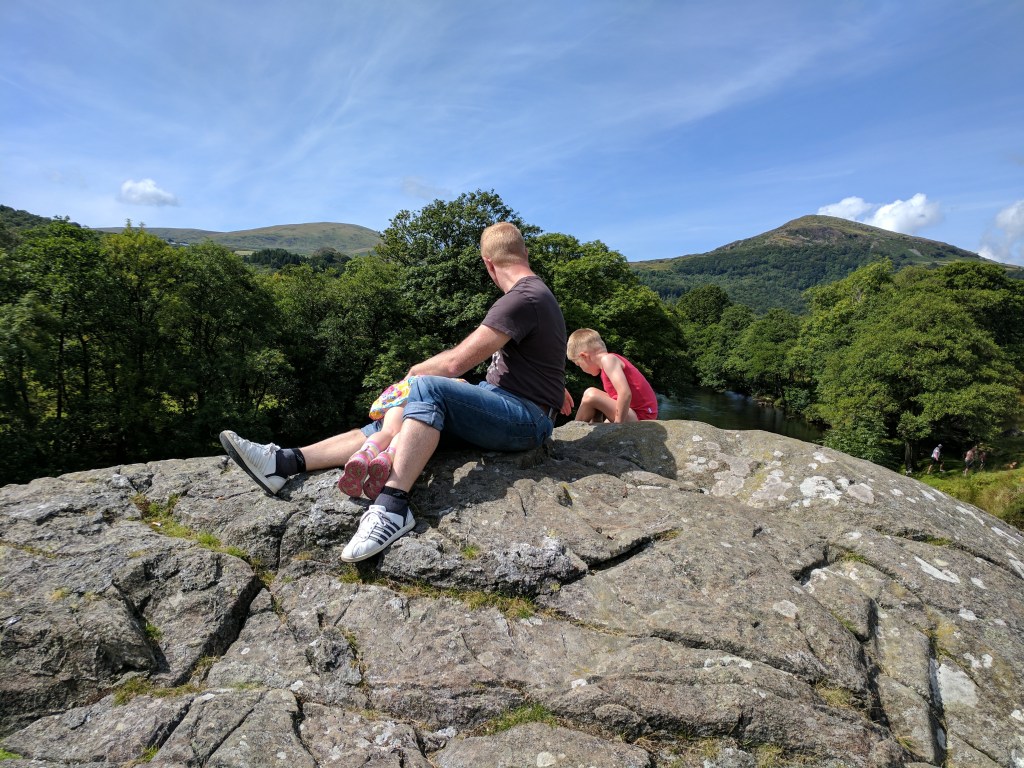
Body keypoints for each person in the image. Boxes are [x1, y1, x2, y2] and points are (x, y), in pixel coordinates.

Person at [220, 222, 569, 562]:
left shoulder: (521, 298)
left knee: (428, 386)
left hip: (524, 418)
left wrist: (415, 374)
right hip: (515, 407)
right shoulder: (534, 294)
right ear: (524, 253)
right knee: (397, 422)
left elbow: (454, 364)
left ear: (487, 263)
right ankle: (283, 463)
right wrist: (553, 389)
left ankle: (392, 505)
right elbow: (540, 359)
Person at [565, 328, 658, 423]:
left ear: (584, 356)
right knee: (595, 398)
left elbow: (625, 394)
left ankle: (574, 428)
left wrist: (617, 424)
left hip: (641, 416)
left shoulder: (608, 360)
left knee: (590, 394)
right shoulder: (609, 362)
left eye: (579, 364)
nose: (581, 369)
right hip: (632, 412)